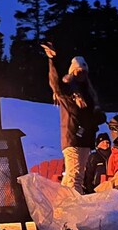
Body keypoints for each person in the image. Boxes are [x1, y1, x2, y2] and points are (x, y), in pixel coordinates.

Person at [41, 42, 106, 193]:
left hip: (85, 139)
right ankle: (74, 204)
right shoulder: (68, 90)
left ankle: (62, 203)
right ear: (72, 72)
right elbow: (55, 83)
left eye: (83, 71)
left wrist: (97, 117)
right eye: (78, 71)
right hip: (73, 137)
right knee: (75, 175)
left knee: (76, 175)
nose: (81, 74)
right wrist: (53, 60)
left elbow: (89, 116)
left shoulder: (89, 93)